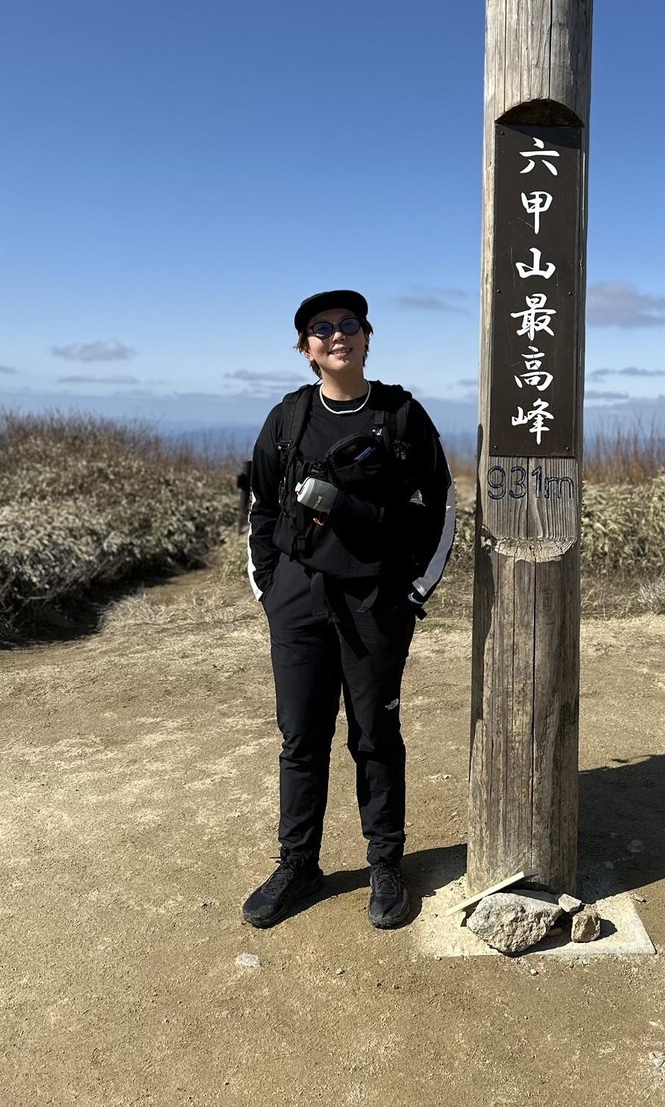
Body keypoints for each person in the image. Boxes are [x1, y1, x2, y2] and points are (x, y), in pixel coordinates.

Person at [243, 290, 456, 930]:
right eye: (321, 329)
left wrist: (414, 591)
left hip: (375, 603)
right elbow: (259, 506)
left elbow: (442, 506)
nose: (337, 335)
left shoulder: (401, 415)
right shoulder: (287, 420)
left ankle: (385, 864)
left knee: (375, 737)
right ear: (307, 351)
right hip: (298, 602)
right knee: (301, 738)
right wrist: (269, 589)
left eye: (348, 325)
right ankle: (297, 863)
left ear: (367, 337)